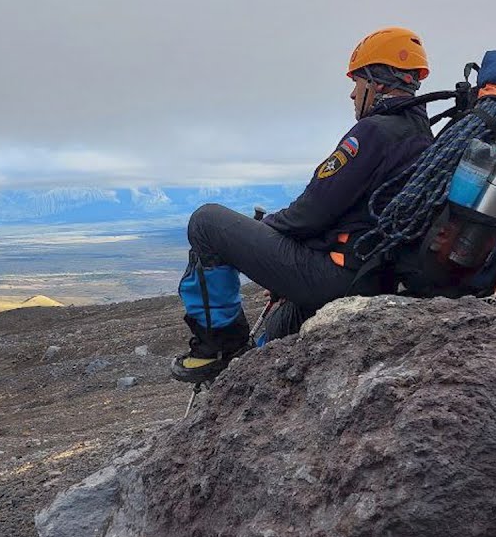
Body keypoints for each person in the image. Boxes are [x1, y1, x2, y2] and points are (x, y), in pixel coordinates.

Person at [171, 27, 436, 383]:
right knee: (281, 322)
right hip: (372, 276)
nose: (352, 93)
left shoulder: (374, 132)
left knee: (206, 223)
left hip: (337, 277)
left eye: (357, 82)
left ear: (378, 82)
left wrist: (262, 235)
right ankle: (249, 374)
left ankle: (217, 347)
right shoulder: (422, 137)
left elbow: (312, 211)